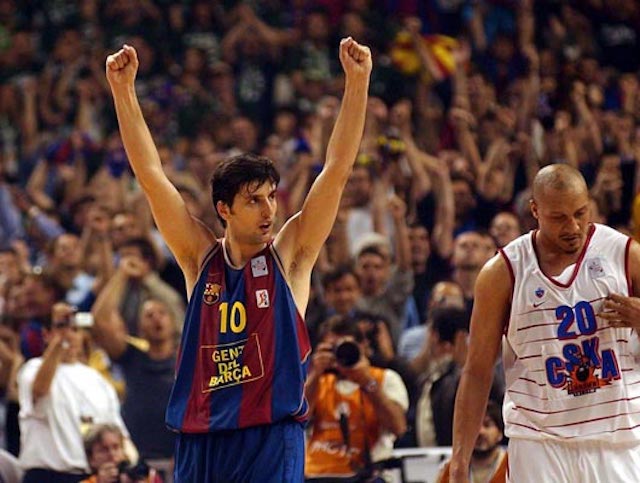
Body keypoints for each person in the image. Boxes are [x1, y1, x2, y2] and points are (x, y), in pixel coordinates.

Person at [106, 37, 372, 482]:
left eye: (271, 197)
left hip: (270, 434)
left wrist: (358, 83)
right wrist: (123, 91)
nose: (269, 210)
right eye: (254, 201)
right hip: (202, 435)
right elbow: (151, 178)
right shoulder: (198, 258)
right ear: (224, 209)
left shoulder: (292, 254)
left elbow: (337, 168)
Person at [449, 164, 640, 483]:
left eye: (580, 212)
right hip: (538, 443)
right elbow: (477, 370)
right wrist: (459, 460)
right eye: (559, 217)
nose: (573, 226)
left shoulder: (623, 253)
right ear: (534, 210)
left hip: (616, 439)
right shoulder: (502, 273)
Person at [17, 302, 129, 483]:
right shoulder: (32, 369)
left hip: (90, 477)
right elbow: (39, 390)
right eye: (61, 327)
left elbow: (117, 433)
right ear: (46, 334)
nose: (69, 334)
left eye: (74, 329)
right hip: (46, 475)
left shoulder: (97, 380)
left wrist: (133, 467)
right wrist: (58, 343)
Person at [304, 315, 408, 481]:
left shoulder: (385, 378)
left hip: (368, 473)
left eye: (347, 347)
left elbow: (398, 427)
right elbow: (300, 419)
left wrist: (368, 383)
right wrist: (315, 374)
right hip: (317, 474)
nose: (341, 354)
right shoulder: (318, 382)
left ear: (364, 347)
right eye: (333, 349)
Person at [437, 401, 507, 483]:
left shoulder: (512, 466)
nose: (480, 431)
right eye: (474, 426)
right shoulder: (450, 470)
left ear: (500, 433)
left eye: (487, 425)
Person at [81, 424, 161, 483]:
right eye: (103, 450)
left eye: (116, 447)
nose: (112, 454)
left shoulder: (147, 476)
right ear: (91, 458)